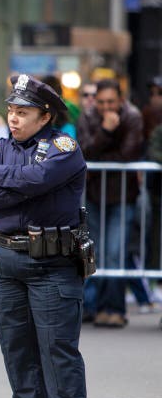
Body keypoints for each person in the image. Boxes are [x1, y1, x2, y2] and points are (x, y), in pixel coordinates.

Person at [0, 73, 93, 398]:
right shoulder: (1, 147)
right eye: (10, 111)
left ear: (44, 116)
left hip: (51, 263)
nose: (13, 119)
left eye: (22, 113)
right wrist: (19, 183)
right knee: (16, 347)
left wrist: (8, 181)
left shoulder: (63, 145)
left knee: (57, 350)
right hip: (7, 260)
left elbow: (41, 178)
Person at [76, 78, 143, 327]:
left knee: (115, 252)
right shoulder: (87, 117)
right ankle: (93, 307)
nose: (105, 107)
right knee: (96, 252)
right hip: (94, 195)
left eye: (110, 102)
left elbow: (129, 154)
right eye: (101, 101)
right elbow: (83, 152)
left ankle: (114, 308)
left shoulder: (133, 116)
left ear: (121, 100)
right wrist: (105, 131)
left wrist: (101, 151)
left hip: (123, 196)